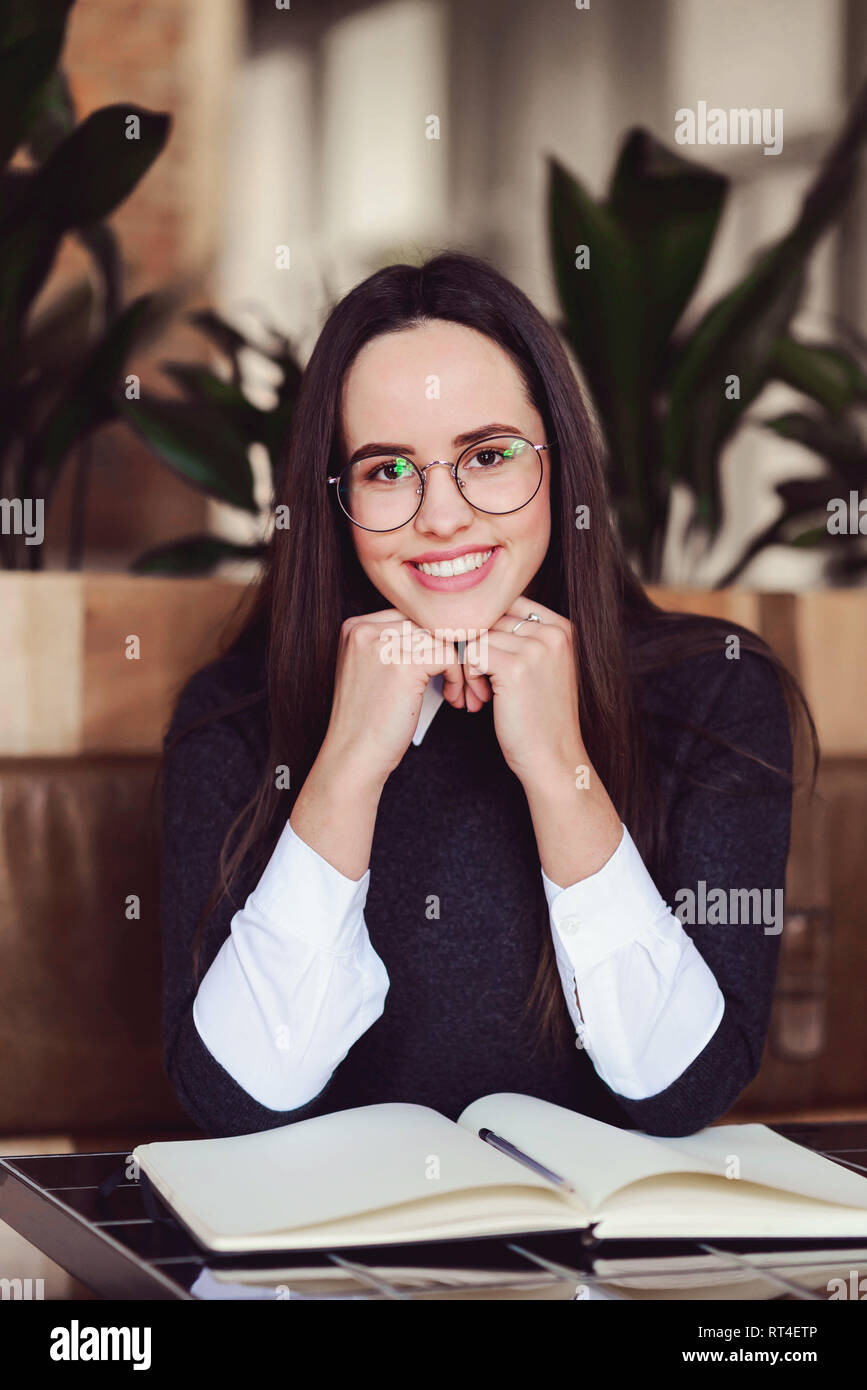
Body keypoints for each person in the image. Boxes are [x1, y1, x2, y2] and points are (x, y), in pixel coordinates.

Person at [159, 252, 813, 1140]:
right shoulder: (231, 718)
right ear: (336, 499)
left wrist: (556, 766)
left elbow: (680, 1092)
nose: (441, 516)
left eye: (488, 456)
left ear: (560, 463)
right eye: (387, 470)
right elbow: (233, 1100)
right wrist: (348, 767)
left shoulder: (715, 692)